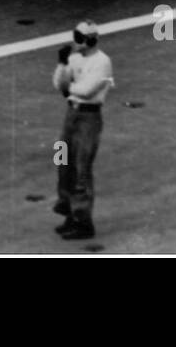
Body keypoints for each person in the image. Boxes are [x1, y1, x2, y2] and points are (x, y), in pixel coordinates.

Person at [52, 20, 114, 239]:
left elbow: (87, 90)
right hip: (72, 114)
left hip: (89, 117)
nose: (76, 41)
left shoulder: (102, 62)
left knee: (81, 167)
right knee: (62, 159)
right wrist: (61, 64)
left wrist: (69, 89)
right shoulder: (75, 58)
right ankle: (68, 209)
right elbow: (59, 84)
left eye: (79, 37)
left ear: (89, 39)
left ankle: (83, 220)